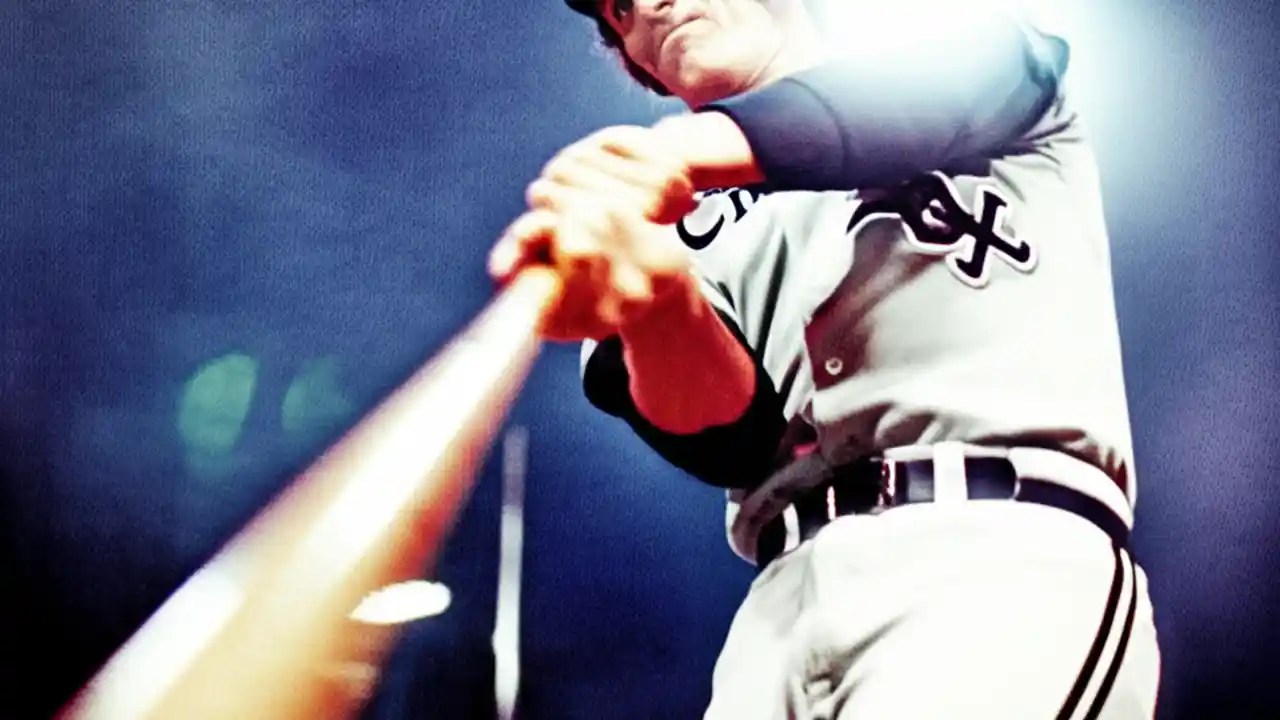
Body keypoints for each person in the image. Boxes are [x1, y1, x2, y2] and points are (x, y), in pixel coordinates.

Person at [488, 0, 1161, 717]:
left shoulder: (958, 55)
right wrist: (658, 301)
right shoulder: (646, 226)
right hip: (778, 606)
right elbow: (735, 445)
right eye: (619, 7)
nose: (650, 3)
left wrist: (665, 155)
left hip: (994, 555)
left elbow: (880, 110)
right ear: (635, 56)